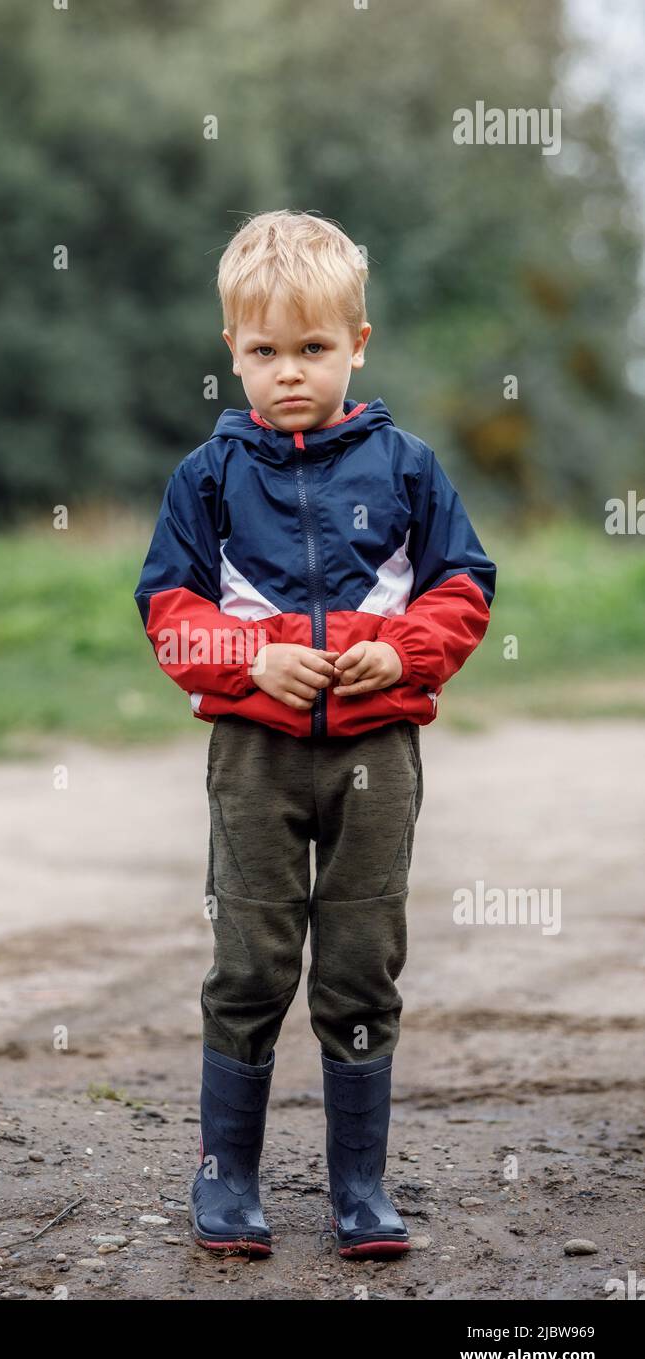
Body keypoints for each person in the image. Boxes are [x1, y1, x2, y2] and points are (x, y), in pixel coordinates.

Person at [134, 209, 496, 1259]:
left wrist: (406, 653)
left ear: (357, 344)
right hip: (253, 753)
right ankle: (227, 1180)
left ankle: (357, 1189)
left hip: (375, 754)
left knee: (359, 963)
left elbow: (463, 584)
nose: (286, 373)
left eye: (311, 348)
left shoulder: (409, 469)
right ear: (230, 354)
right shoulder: (205, 479)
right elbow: (168, 611)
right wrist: (246, 661)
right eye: (262, 352)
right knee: (248, 960)